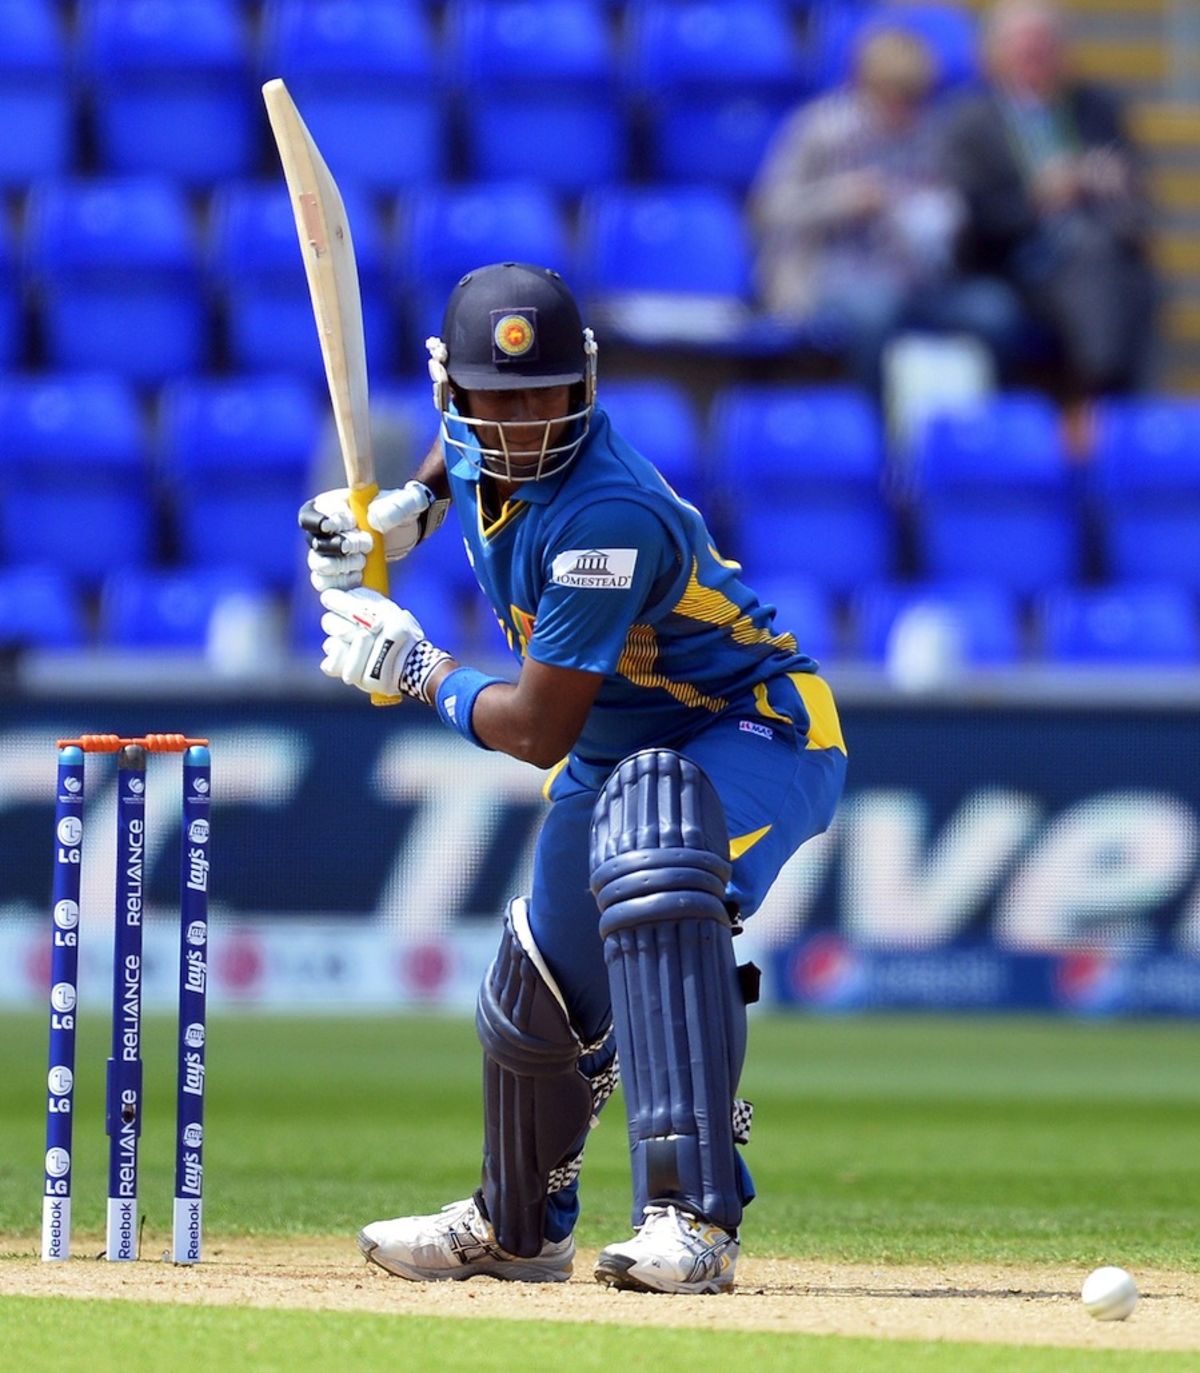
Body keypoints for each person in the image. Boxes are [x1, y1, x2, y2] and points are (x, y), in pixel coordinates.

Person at [298, 263, 847, 1294]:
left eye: (543, 393)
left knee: (658, 858)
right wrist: (407, 509)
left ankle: (692, 1219)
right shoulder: (474, 442)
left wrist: (420, 669)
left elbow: (539, 728)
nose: (520, 422)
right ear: (451, 395)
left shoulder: (607, 511)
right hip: (616, 745)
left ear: (583, 382)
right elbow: (466, 458)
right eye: (493, 400)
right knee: (539, 982)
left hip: (749, 725)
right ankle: (517, 1224)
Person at [750, 27, 1018, 394]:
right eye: (895, 99)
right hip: (831, 277)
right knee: (875, 311)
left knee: (994, 310)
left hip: (919, 280)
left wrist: (948, 215)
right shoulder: (818, 129)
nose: (905, 112)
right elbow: (767, 208)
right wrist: (841, 199)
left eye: (915, 100)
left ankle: (970, 433)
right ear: (865, 87)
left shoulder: (931, 134)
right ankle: (875, 431)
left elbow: (951, 212)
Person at [938, 0, 1156, 400]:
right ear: (995, 54)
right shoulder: (969, 122)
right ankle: (1099, 401)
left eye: (1045, 45)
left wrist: (1112, 187)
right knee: (1099, 269)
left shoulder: (1096, 109)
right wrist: (1039, 198)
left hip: (1090, 251)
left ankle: (1108, 411)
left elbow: (1135, 200)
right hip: (1008, 263)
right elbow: (970, 221)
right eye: (1024, 46)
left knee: (1126, 273)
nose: (1035, 55)